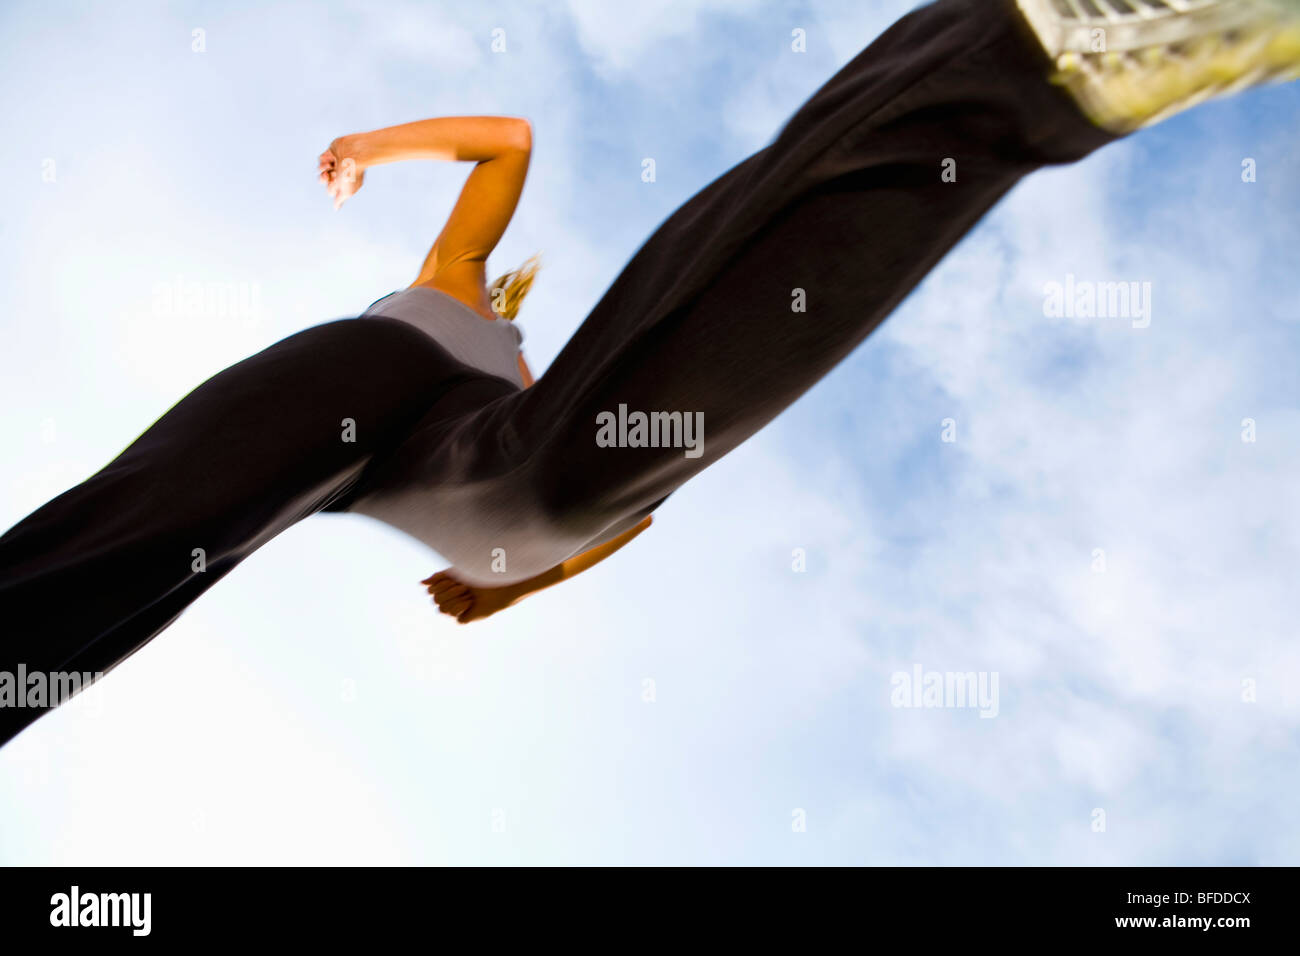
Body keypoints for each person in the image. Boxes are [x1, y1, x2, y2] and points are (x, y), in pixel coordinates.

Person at [2, 0, 1297, 747]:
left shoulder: (523, 388)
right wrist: (373, 144)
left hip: (471, 474)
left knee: (570, 485)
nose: (515, 315)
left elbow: (636, 503)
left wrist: (532, 573)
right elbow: (501, 143)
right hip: (367, 379)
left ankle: (1024, 64)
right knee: (172, 528)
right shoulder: (448, 288)